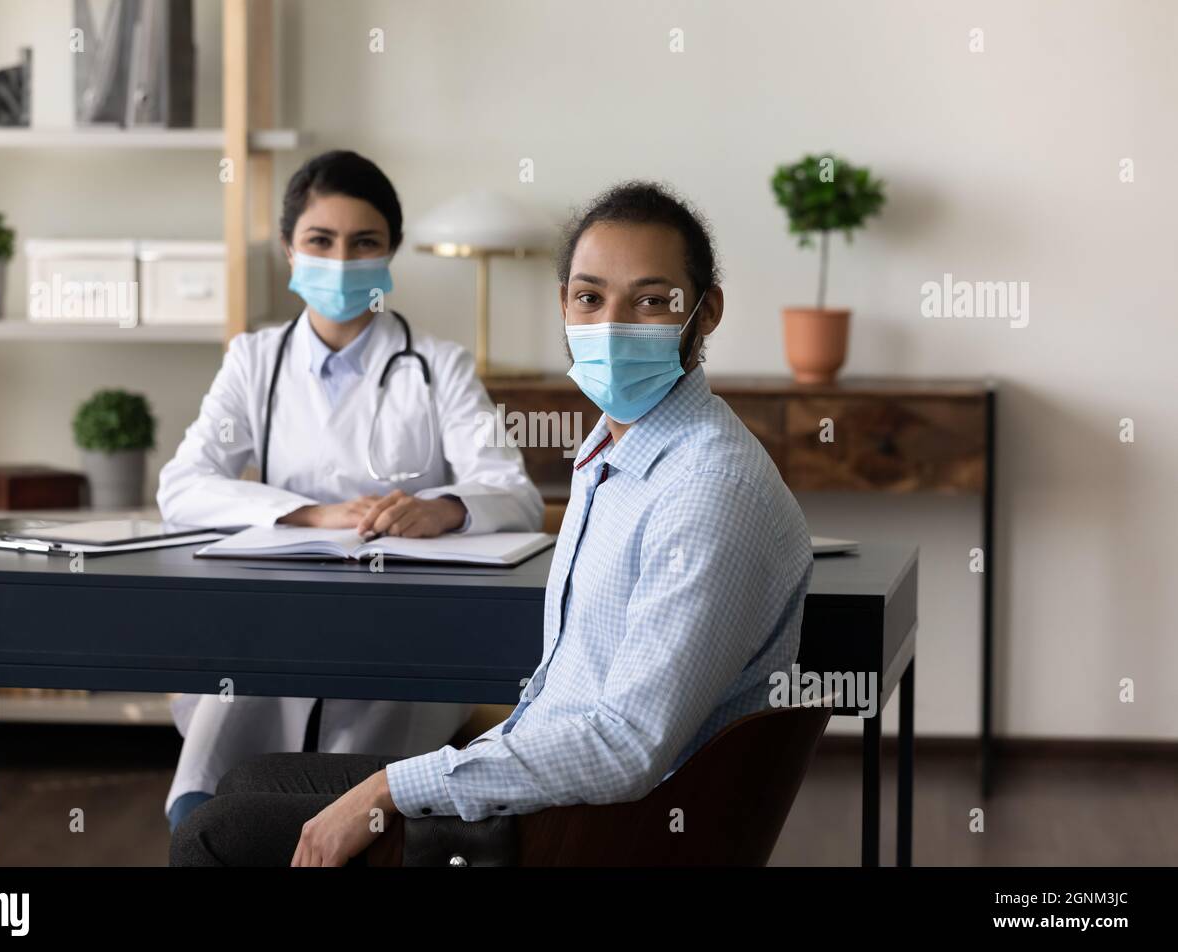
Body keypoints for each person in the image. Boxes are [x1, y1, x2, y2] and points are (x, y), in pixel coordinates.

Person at [169, 180, 812, 866]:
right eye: (590, 298)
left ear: (705, 311)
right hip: (559, 784)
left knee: (217, 834)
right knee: (247, 780)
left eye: (651, 301)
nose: (612, 324)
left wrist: (396, 787)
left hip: (592, 831)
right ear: (563, 304)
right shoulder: (614, 449)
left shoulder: (708, 488)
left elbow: (624, 747)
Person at [156, 150, 543, 832]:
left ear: (390, 253)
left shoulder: (439, 364)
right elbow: (183, 486)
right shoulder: (254, 360)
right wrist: (309, 513)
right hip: (272, 619)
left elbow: (514, 494)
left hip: (403, 626)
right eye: (320, 241)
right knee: (209, 787)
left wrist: (444, 509)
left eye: (364, 242)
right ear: (288, 250)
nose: (341, 261)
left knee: (365, 812)